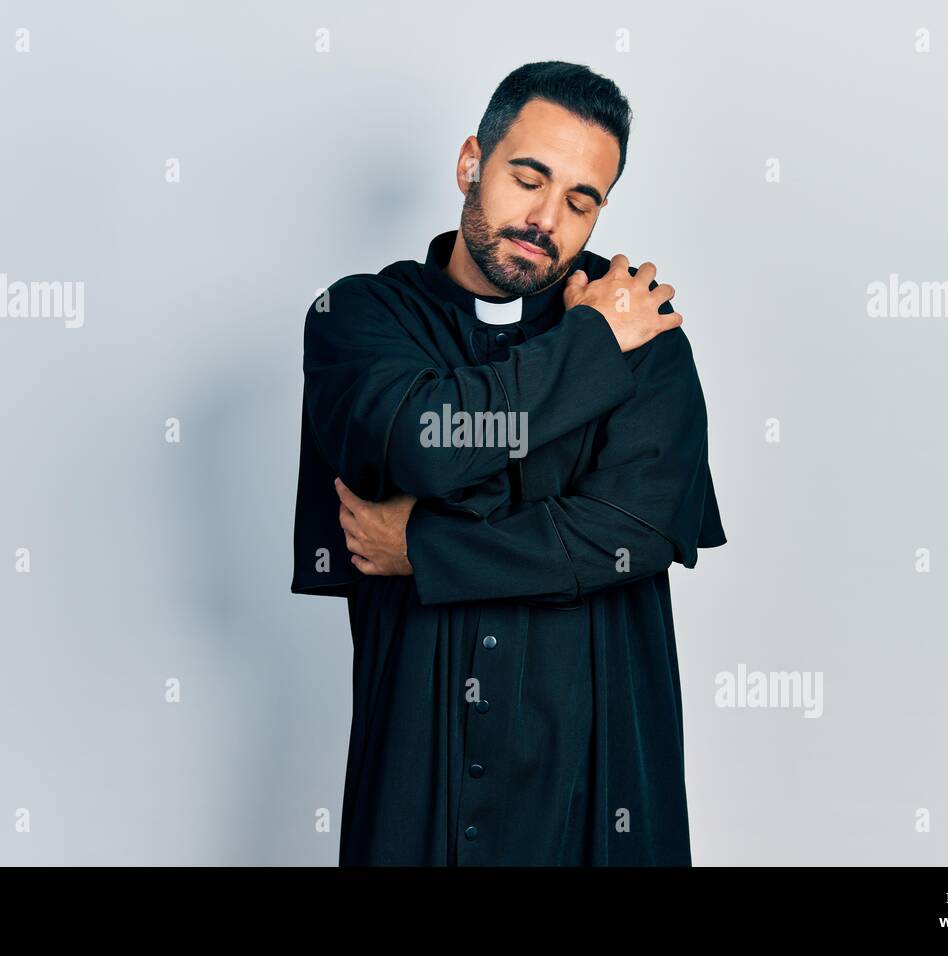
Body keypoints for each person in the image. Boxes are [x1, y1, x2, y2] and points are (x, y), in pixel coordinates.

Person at [291, 60, 726, 865]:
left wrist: (424, 548)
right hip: (417, 771)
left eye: (580, 200)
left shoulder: (644, 323)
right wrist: (590, 345)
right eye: (529, 178)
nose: (545, 218)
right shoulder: (361, 315)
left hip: (598, 776)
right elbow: (428, 443)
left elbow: (632, 529)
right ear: (470, 163)